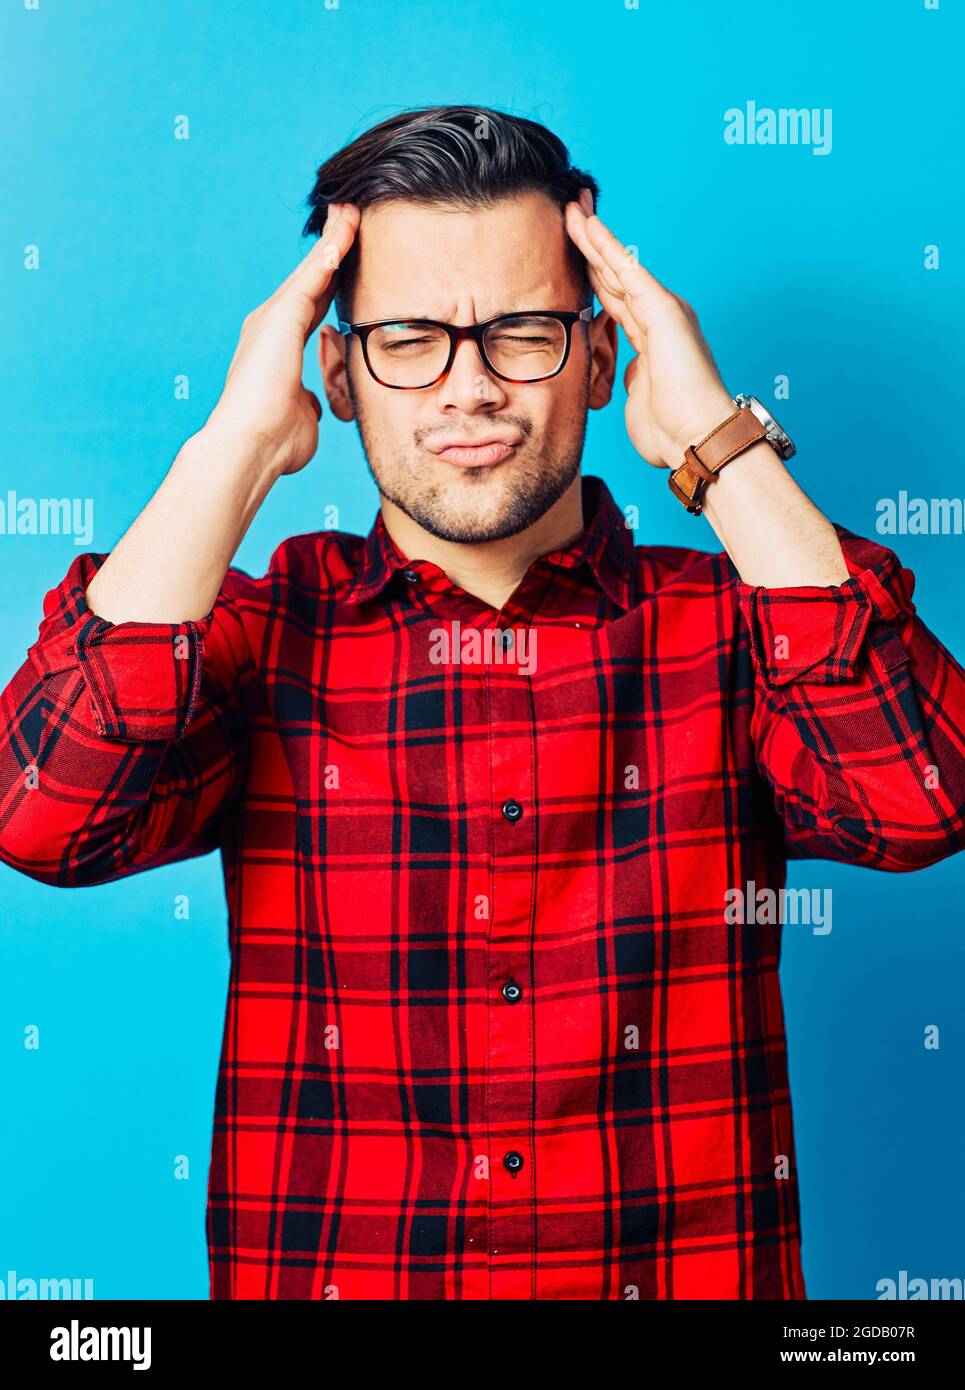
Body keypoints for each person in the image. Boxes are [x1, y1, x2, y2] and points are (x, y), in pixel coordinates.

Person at [1, 105, 963, 1301]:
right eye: (407, 337)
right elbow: (42, 816)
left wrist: (717, 445)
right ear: (339, 374)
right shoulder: (256, 637)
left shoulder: (734, 624)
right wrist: (235, 446)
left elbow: (920, 795)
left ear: (602, 358)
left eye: (521, 333)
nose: (469, 389)